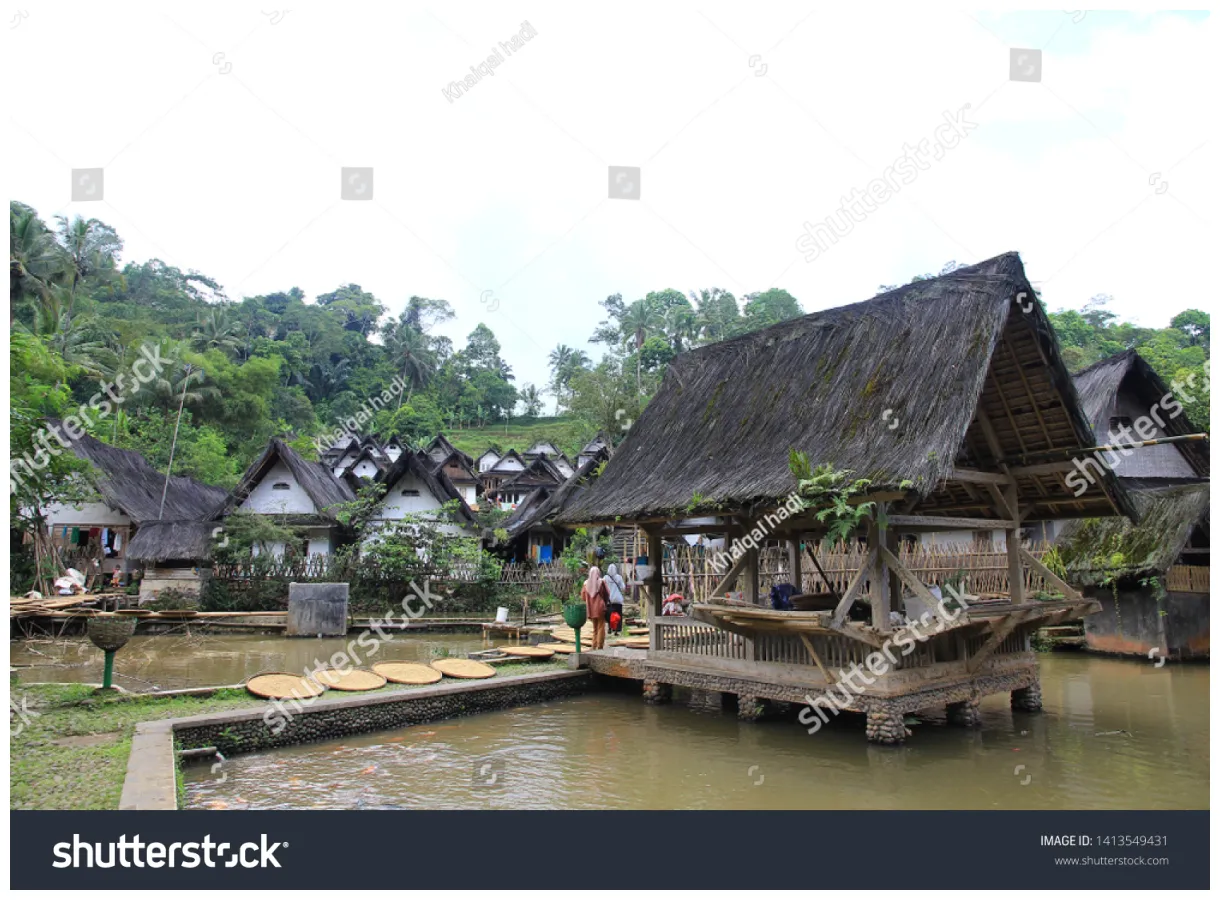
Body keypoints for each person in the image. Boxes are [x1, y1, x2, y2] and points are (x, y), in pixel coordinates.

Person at [581, 565, 609, 650]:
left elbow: (583, 596)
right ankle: (600, 645)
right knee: (601, 627)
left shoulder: (585, 584)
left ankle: (594, 645)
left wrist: (589, 600)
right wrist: (605, 602)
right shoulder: (601, 582)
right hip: (600, 608)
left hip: (591, 608)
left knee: (594, 628)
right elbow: (607, 594)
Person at [604, 563, 627, 635]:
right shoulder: (619, 577)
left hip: (609, 600)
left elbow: (603, 588)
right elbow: (623, 588)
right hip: (618, 599)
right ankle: (617, 629)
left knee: (609, 615)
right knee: (618, 614)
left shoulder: (605, 578)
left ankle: (610, 628)